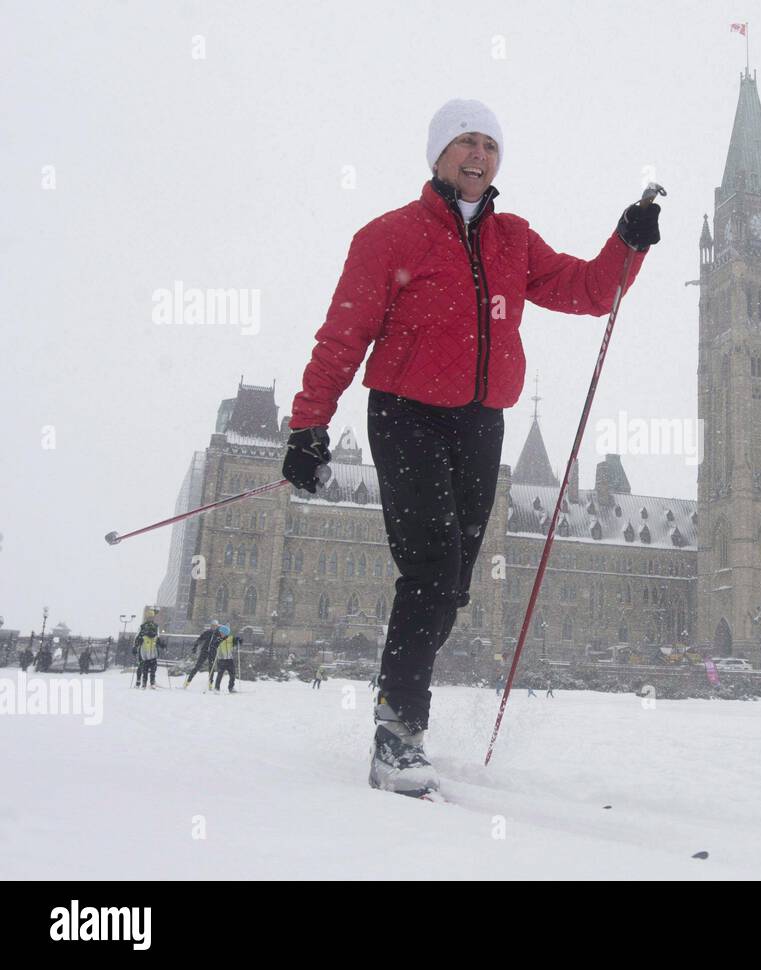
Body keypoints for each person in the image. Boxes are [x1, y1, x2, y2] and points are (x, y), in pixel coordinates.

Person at [281, 99, 659, 801]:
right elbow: (343, 335)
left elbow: (588, 290)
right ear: (438, 155)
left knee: (453, 583)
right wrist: (309, 423)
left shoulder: (513, 239)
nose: (478, 154)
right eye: (465, 143)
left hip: (482, 421)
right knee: (427, 566)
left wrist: (626, 242)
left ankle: (401, 704)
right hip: (406, 413)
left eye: (489, 144)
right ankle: (398, 733)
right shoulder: (389, 236)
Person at [133, 611, 166, 689]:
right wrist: (135, 645)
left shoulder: (154, 626)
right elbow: (138, 637)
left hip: (150, 649)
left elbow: (157, 637)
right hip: (144, 649)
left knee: (146, 666)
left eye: (151, 617)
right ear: (147, 617)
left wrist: (160, 644)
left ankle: (146, 682)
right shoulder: (143, 626)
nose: (150, 618)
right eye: (149, 617)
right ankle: (139, 681)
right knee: (143, 666)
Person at [185, 620, 221, 688]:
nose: (214, 627)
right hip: (204, 651)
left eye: (215, 626)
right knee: (197, 666)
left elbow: (223, 641)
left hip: (212, 652)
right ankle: (188, 681)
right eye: (213, 625)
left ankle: (210, 684)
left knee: (211, 668)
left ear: (217, 626)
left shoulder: (218, 634)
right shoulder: (207, 632)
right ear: (211, 626)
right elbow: (199, 639)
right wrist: (195, 647)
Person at [211, 625, 240, 693]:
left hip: (230, 659)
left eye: (223, 633)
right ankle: (217, 688)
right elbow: (214, 645)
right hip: (221, 659)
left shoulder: (230, 638)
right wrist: (219, 641)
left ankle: (231, 687)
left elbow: (236, 642)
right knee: (220, 674)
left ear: (226, 633)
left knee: (232, 674)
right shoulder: (218, 639)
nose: (221, 634)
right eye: (221, 632)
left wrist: (238, 640)